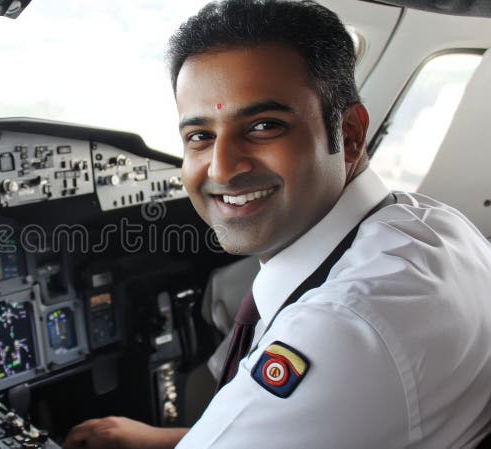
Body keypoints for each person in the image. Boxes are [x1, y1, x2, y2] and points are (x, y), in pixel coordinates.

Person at [63, 0, 491, 448]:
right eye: (200, 137)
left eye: (264, 125)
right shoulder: (433, 223)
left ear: (348, 135)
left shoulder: (342, 329)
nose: (223, 170)